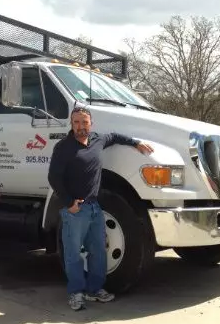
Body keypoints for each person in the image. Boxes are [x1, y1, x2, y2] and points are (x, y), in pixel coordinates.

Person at [48, 106, 154, 311]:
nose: (80, 126)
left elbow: (114, 136)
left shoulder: (98, 140)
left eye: (84, 122)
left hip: (95, 207)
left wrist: (136, 143)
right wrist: (69, 203)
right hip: (75, 210)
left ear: (91, 124)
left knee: (98, 251)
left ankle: (94, 290)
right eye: (76, 122)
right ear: (71, 124)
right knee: (73, 255)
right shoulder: (63, 147)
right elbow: (54, 177)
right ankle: (76, 293)